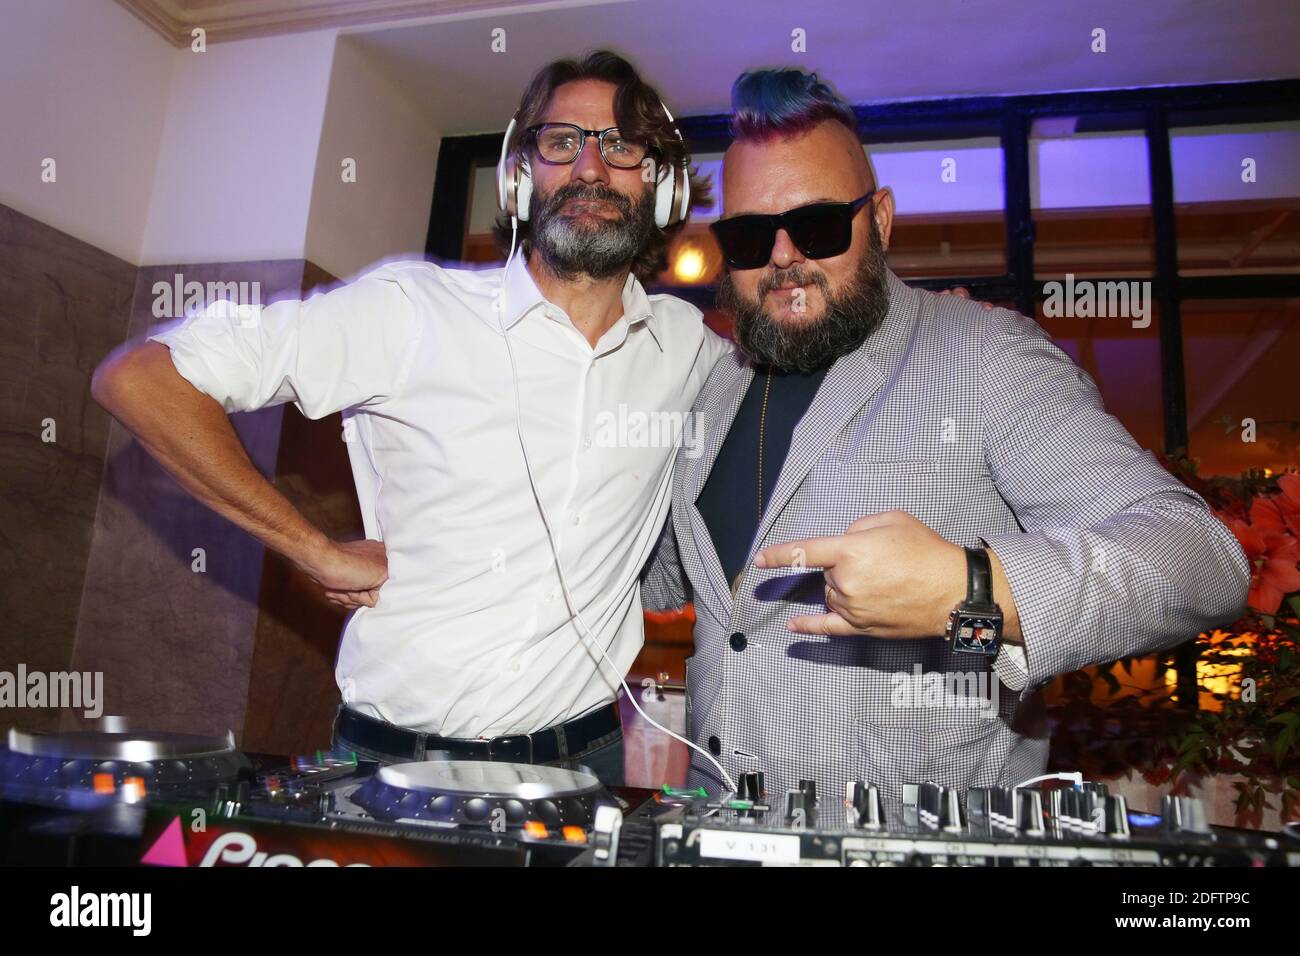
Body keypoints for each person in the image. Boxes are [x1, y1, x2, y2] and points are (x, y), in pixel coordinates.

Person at [91, 51, 731, 786]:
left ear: (663, 183)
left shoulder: (689, 350)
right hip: (392, 758)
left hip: (586, 764)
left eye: (621, 145)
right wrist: (311, 548)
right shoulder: (408, 311)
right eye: (562, 141)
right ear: (521, 175)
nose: (590, 167)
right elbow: (140, 379)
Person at [641, 67, 1250, 802]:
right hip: (721, 834)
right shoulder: (714, 387)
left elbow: (1197, 559)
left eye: (820, 225)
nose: (782, 257)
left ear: (883, 220)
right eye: (748, 235)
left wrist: (974, 592)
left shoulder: (985, 356)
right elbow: (667, 581)